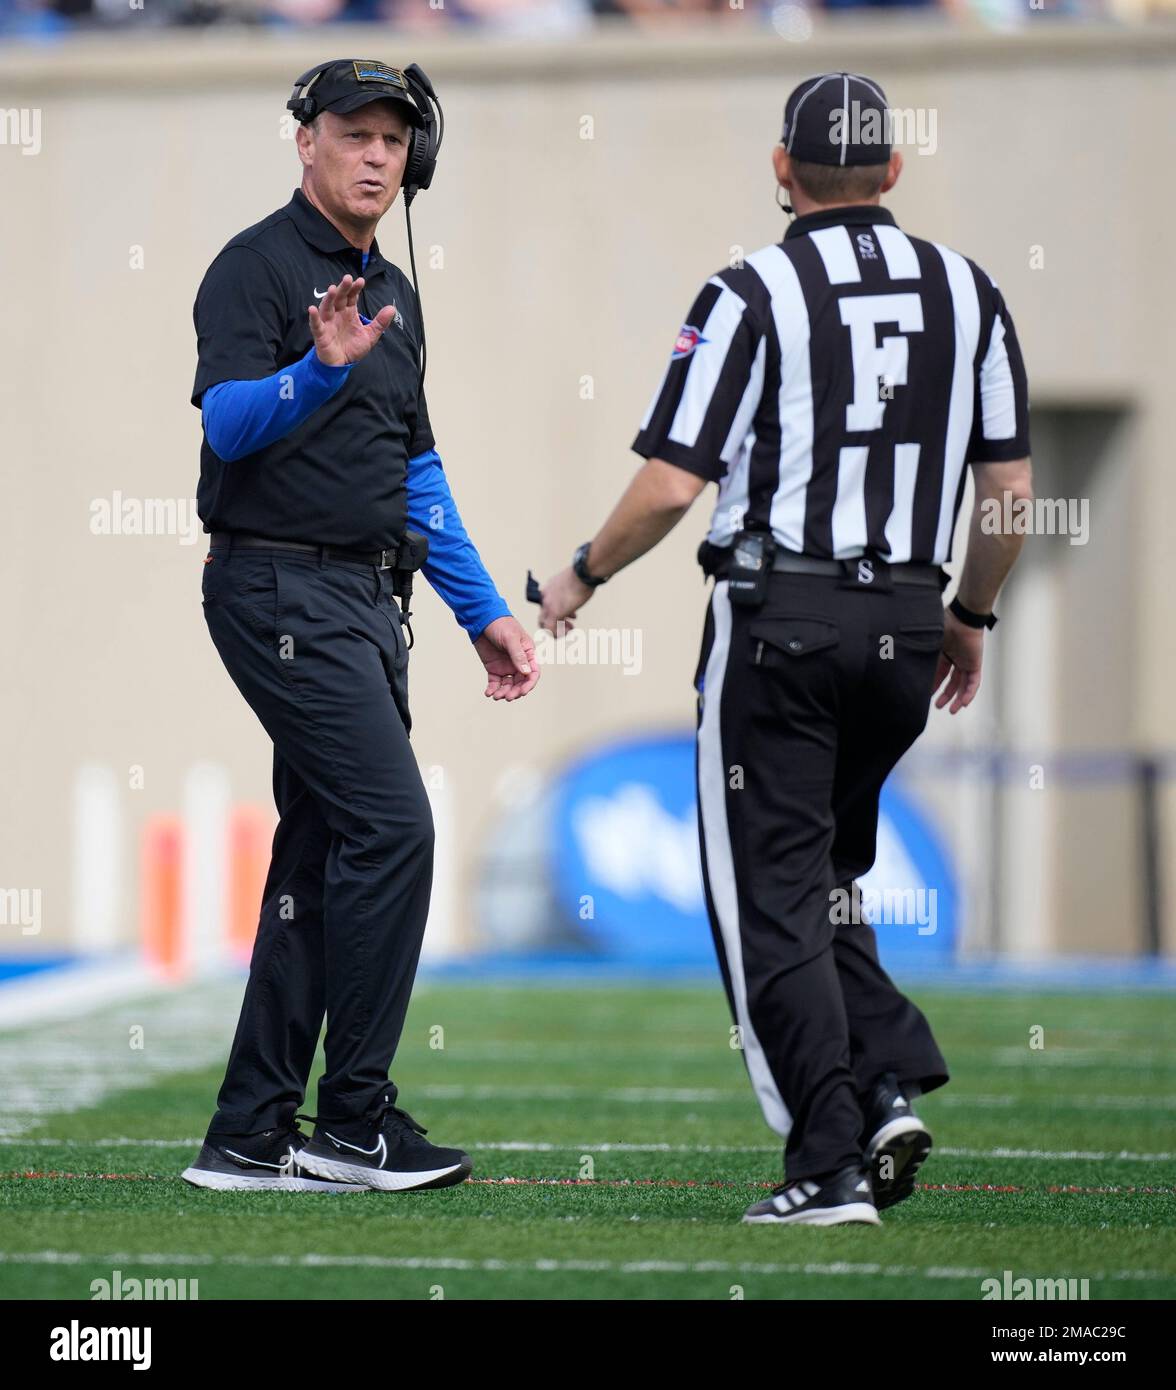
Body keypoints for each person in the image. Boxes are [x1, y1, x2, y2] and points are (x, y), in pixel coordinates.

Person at [538, 72, 1032, 1225]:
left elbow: (672, 480)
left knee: (768, 899)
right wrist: (969, 615)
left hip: (784, 623)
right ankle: (885, 1081)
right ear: (895, 174)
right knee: (823, 887)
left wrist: (580, 574)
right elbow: (1008, 496)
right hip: (909, 627)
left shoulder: (751, 290)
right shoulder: (973, 292)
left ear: (781, 169)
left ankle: (827, 1161)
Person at [182, 58, 539, 1194]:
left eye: (395, 138)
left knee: (324, 854)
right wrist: (315, 371)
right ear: (307, 142)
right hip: (279, 592)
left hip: (363, 600)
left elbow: (414, 465)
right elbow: (232, 425)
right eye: (356, 133)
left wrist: (480, 608)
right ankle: (353, 1124)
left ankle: (247, 1134)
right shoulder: (254, 267)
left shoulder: (396, 287)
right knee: (395, 828)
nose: (378, 154)